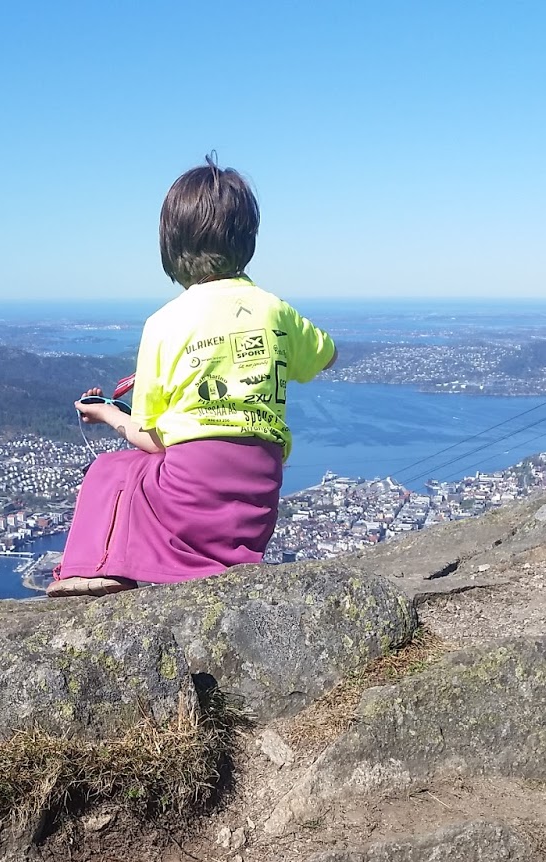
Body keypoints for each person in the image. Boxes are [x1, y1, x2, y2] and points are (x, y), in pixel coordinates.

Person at [47, 157, 336, 598]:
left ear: (170, 247)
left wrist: (108, 414)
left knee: (112, 470)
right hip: (257, 500)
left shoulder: (164, 323)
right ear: (248, 239)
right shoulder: (275, 310)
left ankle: (93, 570)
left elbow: (150, 438)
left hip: (192, 499)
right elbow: (325, 355)